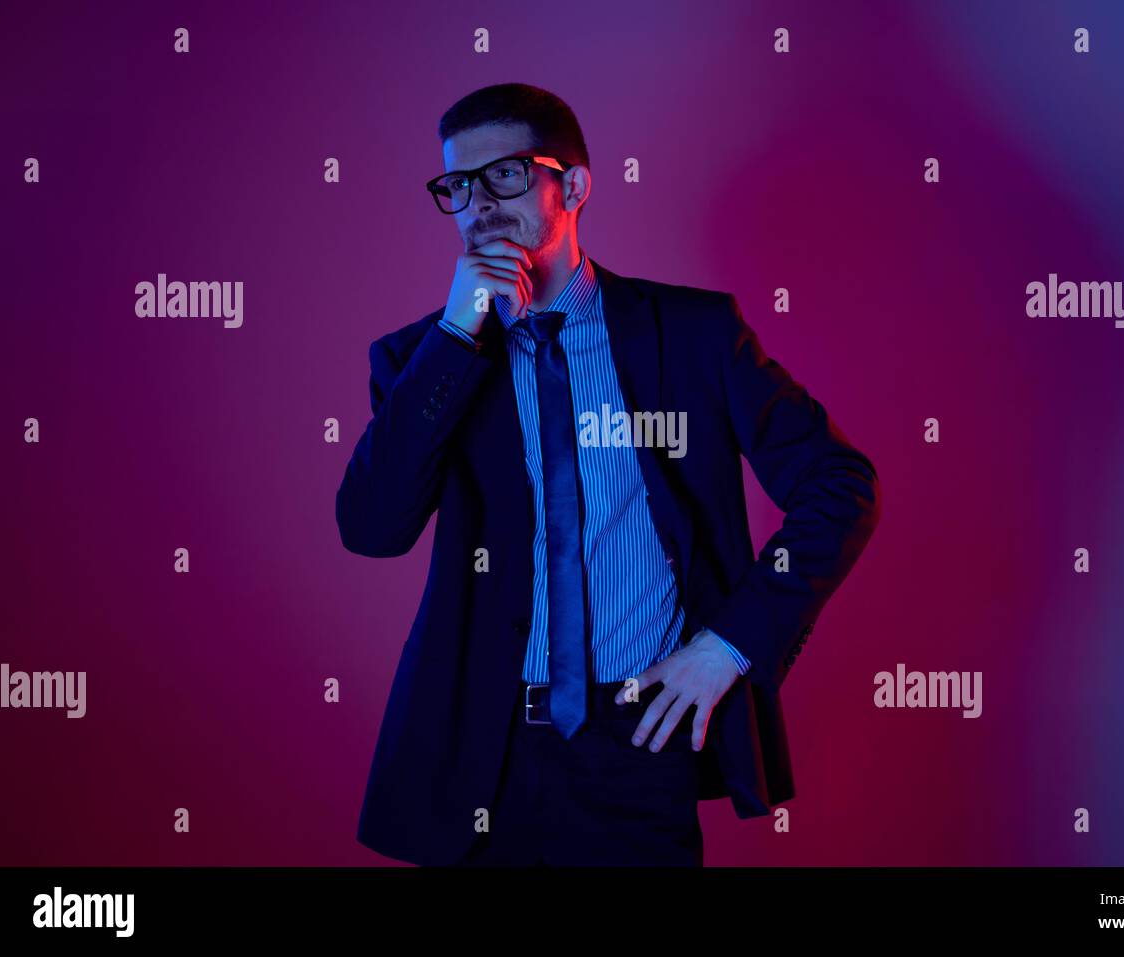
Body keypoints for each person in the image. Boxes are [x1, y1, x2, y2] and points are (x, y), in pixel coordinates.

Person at [335, 82, 882, 866]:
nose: (479, 203)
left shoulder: (692, 334)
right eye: (459, 184)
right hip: (481, 758)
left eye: (505, 175)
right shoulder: (422, 357)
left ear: (575, 187)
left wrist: (729, 644)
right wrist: (457, 333)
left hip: (637, 747)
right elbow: (371, 528)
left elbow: (841, 485)